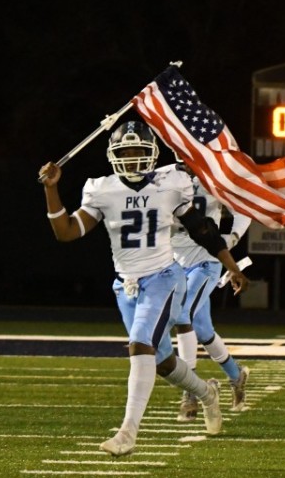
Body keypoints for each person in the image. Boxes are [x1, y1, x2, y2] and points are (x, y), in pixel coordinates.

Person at [39, 121, 241, 456]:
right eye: (126, 152)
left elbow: (202, 229)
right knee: (161, 361)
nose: (132, 158)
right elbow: (67, 231)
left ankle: (127, 433)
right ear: (113, 155)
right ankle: (206, 393)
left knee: (139, 344)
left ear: (152, 154)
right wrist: (51, 189)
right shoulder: (102, 189)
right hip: (126, 285)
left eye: (138, 151)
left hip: (164, 278)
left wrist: (231, 266)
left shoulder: (169, 185)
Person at [167, 161, 253, 421]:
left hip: (206, 259)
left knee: (182, 315)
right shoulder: (164, 176)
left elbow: (243, 208)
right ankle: (236, 376)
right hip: (174, 260)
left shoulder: (215, 175)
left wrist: (233, 237)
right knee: (203, 329)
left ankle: (190, 392)